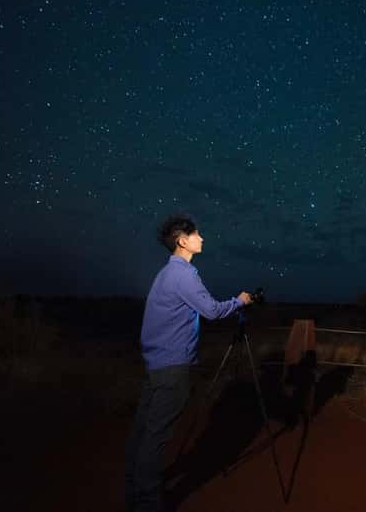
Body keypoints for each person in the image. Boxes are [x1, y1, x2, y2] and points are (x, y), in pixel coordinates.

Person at [125, 215, 254, 512]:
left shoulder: (165, 274)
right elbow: (210, 310)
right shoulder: (184, 274)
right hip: (173, 368)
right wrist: (239, 302)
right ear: (183, 241)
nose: (202, 238)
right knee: (154, 438)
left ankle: (134, 494)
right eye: (197, 234)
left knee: (143, 432)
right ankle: (147, 503)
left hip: (156, 365)